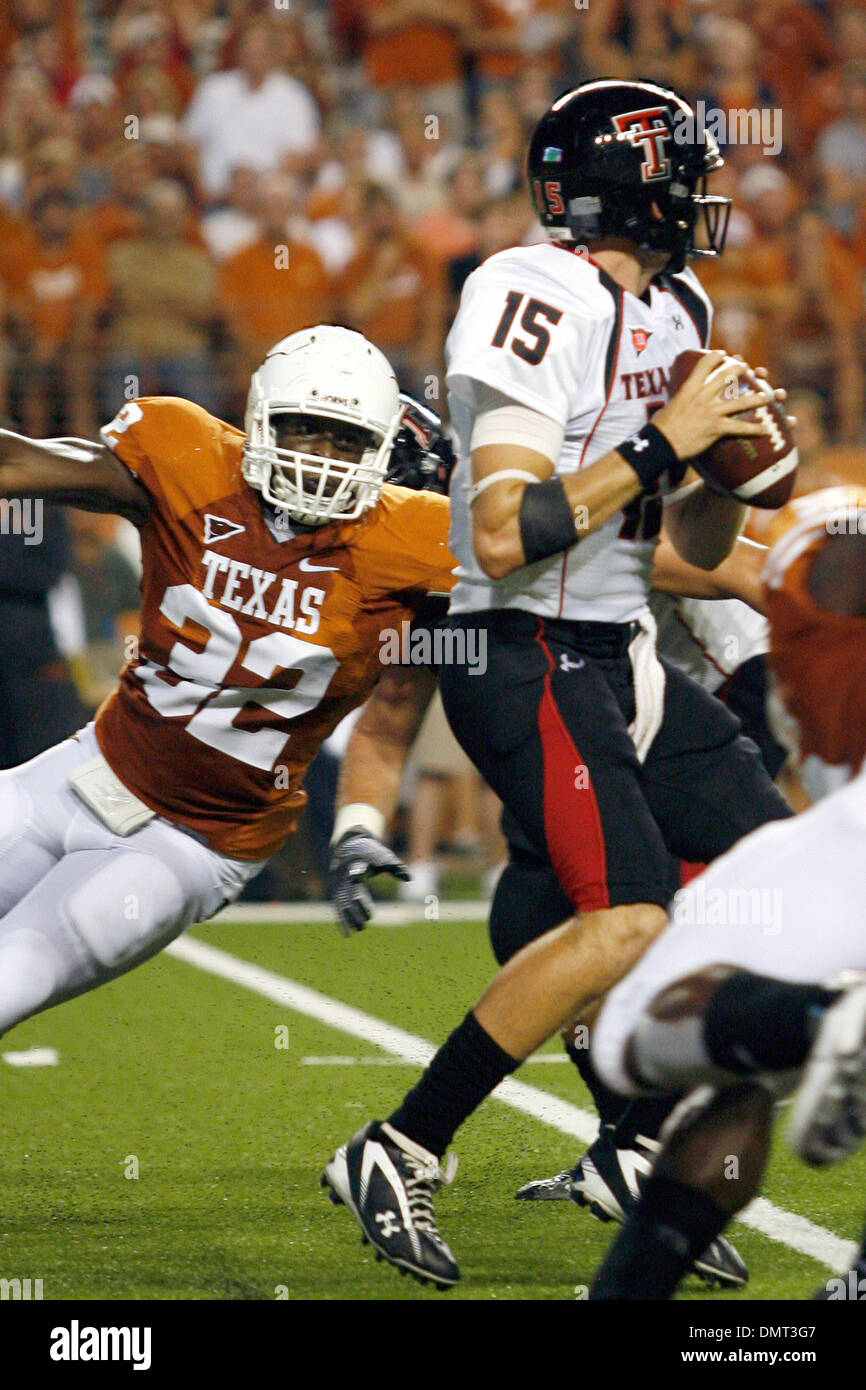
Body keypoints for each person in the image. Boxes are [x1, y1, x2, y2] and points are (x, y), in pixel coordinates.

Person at [321, 79, 794, 1290]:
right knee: (628, 911)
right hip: (514, 642)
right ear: (628, 185)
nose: (699, 193)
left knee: (790, 885)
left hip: (614, 638)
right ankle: (399, 1144)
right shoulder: (526, 289)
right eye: (682, 171)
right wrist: (663, 442)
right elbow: (497, 533)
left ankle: (631, 1143)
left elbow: (661, 540)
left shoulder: (676, 301)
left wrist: (739, 478)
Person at [0, 327, 455, 1059]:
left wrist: (358, 823)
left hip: (191, 843)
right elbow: (24, 458)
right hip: (86, 773)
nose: (319, 459)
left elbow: (395, 716)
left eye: (344, 441)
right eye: (304, 430)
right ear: (261, 418)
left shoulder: (412, 546)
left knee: (7, 977)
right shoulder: (189, 459)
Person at [587, 485, 866, 1300]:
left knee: (712, 1070)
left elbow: (626, 1042)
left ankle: (815, 1018)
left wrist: (802, 1023)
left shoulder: (799, 856)